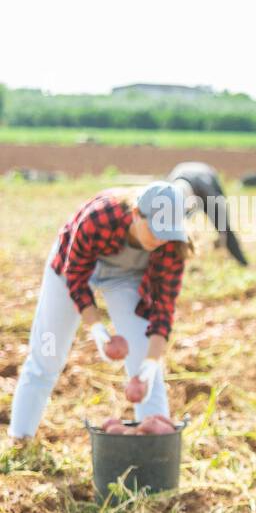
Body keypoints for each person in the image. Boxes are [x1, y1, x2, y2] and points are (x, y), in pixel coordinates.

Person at [8, 182, 190, 442]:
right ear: (137, 214)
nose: (160, 239)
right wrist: (97, 330)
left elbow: (164, 308)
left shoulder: (173, 244)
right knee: (48, 352)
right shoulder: (100, 217)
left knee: (143, 353)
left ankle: (155, 447)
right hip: (72, 270)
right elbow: (76, 278)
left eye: (168, 233)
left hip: (125, 278)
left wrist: (150, 364)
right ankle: (20, 439)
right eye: (155, 230)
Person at [168, 161, 250, 266]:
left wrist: (222, 235)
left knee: (224, 228)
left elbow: (221, 208)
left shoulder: (207, 190)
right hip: (186, 179)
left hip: (207, 180)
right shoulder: (170, 188)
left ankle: (242, 262)